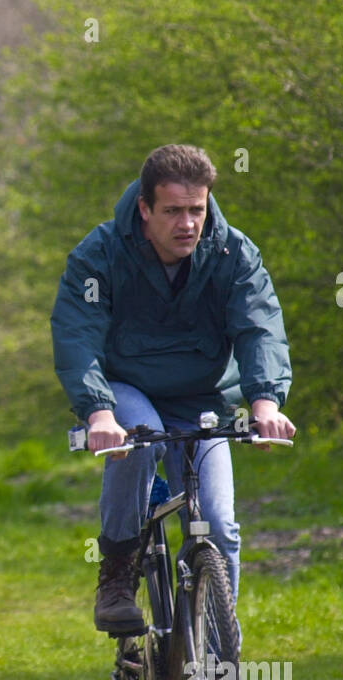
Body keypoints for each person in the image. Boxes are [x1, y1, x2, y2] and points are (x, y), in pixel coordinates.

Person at [51, 144, 294, 641]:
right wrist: (98, 412)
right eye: (173, 211)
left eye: (196, 210)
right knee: (141, 438)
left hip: (203, 399)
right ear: (145, 208)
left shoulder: (234, 254)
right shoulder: (100, 254)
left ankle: (221, 666)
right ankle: (118, 574)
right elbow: (78, 335)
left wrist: (265, 401)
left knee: (220, 526)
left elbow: (259, 328)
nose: (187, 223)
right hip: (126, 389)